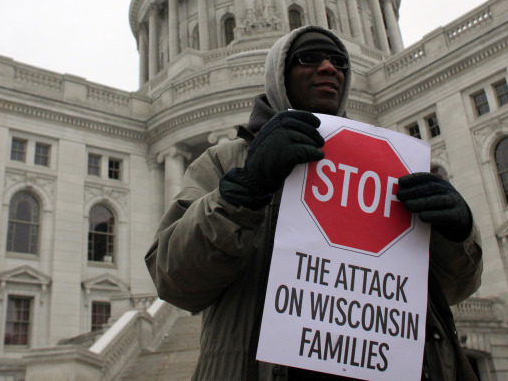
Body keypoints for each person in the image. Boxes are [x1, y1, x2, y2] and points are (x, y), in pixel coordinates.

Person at [146, 26, 483, 380]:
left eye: (339, 62)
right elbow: (173, 278)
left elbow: (446, 291)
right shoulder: (226, 161)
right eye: (309, 59)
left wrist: (457, 236)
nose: (329, 69)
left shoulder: (387, 166)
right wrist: (244, 189)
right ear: (280, 76)